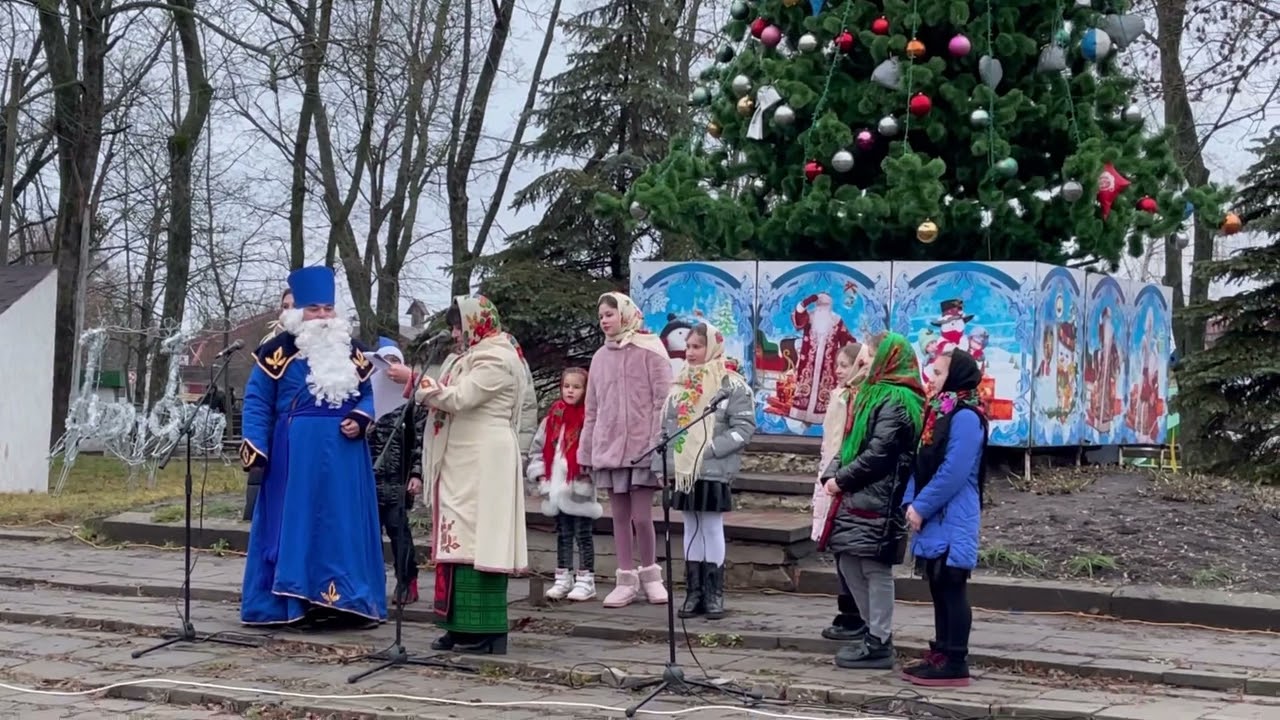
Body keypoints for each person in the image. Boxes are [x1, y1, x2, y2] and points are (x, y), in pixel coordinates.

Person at [238, 267, 386, 628]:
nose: (322, 317)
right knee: (299, 525)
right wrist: (255, 446)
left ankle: (345, 602)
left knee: (341, 525)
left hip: (345, 456)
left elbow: (372, 394)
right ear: (297, 312)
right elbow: (256, 400)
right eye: (314, 309)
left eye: (327, 309)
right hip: (296, 455)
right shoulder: (275, 353)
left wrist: (363, 415)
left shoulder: (354, 353)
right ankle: (297, 602)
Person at [416, 294, 529, 655]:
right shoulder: (470, 356)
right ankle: (456, 625)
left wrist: (417, 383)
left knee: (481, 540)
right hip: (462, 457)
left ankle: (486, 629)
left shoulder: (497, 357)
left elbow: (460, 398)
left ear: (477, 324)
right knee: (456, 539)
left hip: (485, 457)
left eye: (458, 326)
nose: (454, 334)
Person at [821, 332, 925, 670]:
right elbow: (850, 441)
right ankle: (872, 631)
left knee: (873, 567)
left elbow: (879, 452)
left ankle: (880, 639)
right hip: (856, 493)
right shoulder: (870, 394)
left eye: (868, 355)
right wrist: (831, 473)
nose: (863, 361)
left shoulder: (898, 399)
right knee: (849, 562)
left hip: (880, 496)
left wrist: (842, 479)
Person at [580, 292, 674, 608]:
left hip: (643, 449)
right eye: (601, 316)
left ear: (625, 314)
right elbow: (592, 408)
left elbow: (663, 402)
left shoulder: (651, 350)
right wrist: (588, 450)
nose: (605, 320)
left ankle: (651, 576)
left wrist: (654, 443)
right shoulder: (599, 358)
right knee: (619, 516)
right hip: (609, 448)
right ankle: (625, 579)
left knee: (642, 516)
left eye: (610, 314)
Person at [901, 349, 988, 687]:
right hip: (933, 512)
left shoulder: (966, 416)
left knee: (951, 585)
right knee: (937, 585)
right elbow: (920, 460)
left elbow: (954, 471)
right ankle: (940, 651)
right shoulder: (938, 412)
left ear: (955, 377)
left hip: (952, 514)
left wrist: (921, 506)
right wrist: (911, 500)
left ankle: (955, 659)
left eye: (937, 373)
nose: (931, 379)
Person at [657, 322, 755, 620]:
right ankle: (693, 591)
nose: (690, 353)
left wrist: (708, 449)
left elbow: (744, 428)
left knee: (710, 526)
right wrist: (664, 465)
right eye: (687, 347)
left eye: (697, 347)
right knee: (690, 526)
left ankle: (714, 593)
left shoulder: (732, 384)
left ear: (712, 347)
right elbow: (667, 429)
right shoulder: (680, 385)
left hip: (712, 468)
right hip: (685, 470)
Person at [527, 367, 601, 601]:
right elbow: (538, 450)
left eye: (576, 387)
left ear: (586, 390)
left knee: (583, 534)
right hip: (556, 488)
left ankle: (586, 579)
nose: (570, 391)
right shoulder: (552, 418)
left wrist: (587, 473)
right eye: (566, 386)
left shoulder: (589, 420)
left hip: (579, 489)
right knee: (563, 534)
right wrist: (541, 476)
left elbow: (595, 451)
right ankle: (563, 577)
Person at [815, 342, 869, 641]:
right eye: (836, 365)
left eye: (845, 365)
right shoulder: (839, 394)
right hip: (832, 472)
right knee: (838, 546)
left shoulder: (860, 398)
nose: (839, 370)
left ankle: (855, 612)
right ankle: (847, 608)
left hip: (847, 475)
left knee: (848, 547)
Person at [367, 339, 425, 604]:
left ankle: (407, 581)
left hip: (398, 480)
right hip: (369, 478)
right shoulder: (367, 398)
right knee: (370, 534)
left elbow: (419, 440)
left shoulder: (412, 402)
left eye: (394, 363)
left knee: (399, 532)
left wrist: (416, 474)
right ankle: (372, 582)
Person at [790, 293, 857, 425]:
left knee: (825, 392)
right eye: (820, 305)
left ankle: (821, 417)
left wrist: (853, 351)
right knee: (804, 389)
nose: (823, 308)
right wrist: (805, 302)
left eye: (826, 305)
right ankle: (801, 414)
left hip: (827, 367)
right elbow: (798, 318)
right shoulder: (809, 318)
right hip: (808, 365)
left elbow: (847, 340)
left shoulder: (836, 320)